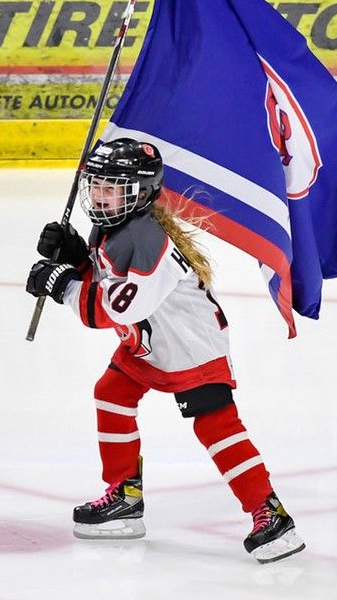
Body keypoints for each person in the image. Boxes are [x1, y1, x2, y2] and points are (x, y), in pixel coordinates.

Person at [25, 137, 305, 564]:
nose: (99, 195)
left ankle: (271, 514)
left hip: (192, 350)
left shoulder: (148, 241)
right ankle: (125, 496)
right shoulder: (114, 226)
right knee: (111, 394)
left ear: (139, 192)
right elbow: (107, 282)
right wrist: (76, 257)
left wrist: (62, 285)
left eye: (111, 187)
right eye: (96, 184)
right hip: (148, 344)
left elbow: (113, 308)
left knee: (216, 427)